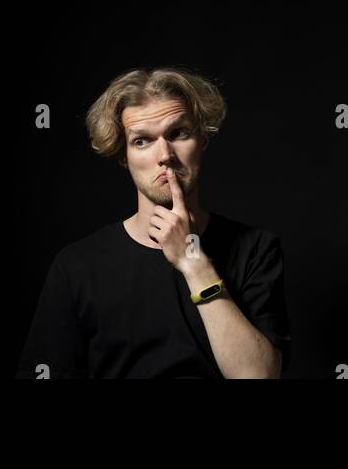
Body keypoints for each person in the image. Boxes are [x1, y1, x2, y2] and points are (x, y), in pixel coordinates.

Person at [17, 67, 291, 378]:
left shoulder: (256, 249)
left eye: (178, 134)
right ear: (123, 155)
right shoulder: (77, 266)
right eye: (142, 141)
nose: (165, 155)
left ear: (202, 139)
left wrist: (194, 264)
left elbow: (258, 375)